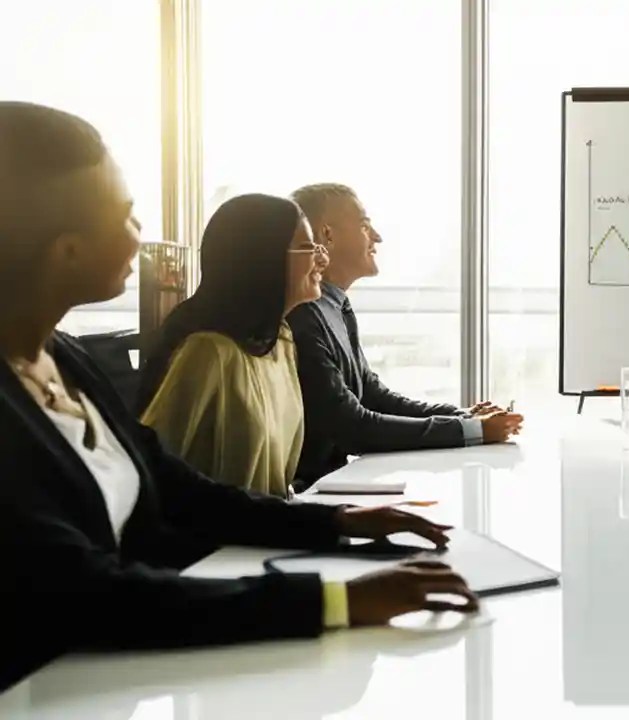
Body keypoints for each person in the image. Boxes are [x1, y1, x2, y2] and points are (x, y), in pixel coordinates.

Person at [0, 102, 477, 690]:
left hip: (111, 677)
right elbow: (92, 594)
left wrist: (338, 522)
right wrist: (331, 603)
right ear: (65, 248)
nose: (140, 233)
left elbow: (177, 485)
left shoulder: (63, 357)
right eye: (125, 216)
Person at [287, 183, 522, 488]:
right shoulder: (305, 315)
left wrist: (463, 417)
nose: (377, 237)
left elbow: (373, 395)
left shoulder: (335, 306)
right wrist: (474, 430)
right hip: (314, 497)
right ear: (328, 235)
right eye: (364, 225)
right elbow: (353, 427)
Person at [137, 194, 321, 497]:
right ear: (263, 258)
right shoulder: (207, 353)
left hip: (270, 532)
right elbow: (150, 473)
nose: (321, 258)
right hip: (218, 538)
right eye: (307, 247)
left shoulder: (281, 342)